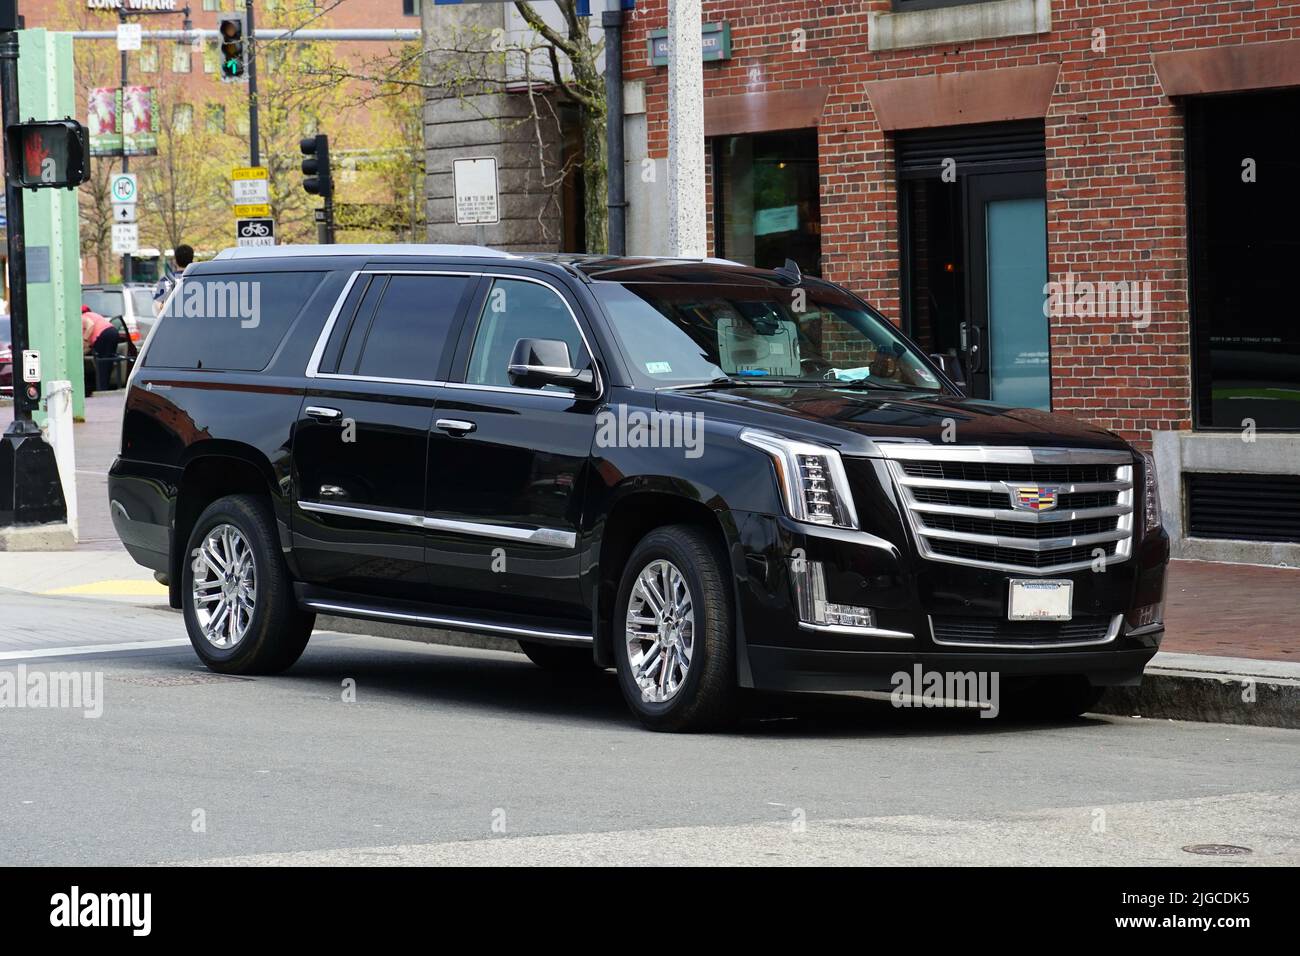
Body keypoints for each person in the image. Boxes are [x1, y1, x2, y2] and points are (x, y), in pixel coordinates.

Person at [82, 303, 119, 394]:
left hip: (103, 335)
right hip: (113, 332)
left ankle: (101, 390)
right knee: (107, 362)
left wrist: (84, 339)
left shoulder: (83, 316)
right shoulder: (94, 315)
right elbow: (90, 346)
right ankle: (105, 387)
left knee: (101, 363)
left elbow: (90, 325)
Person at [153, 243, 194, 312]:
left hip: (171, 321)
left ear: (175, 261)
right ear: (192, 260)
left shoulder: (166, 280)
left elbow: (158, 307)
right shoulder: (199, 279)